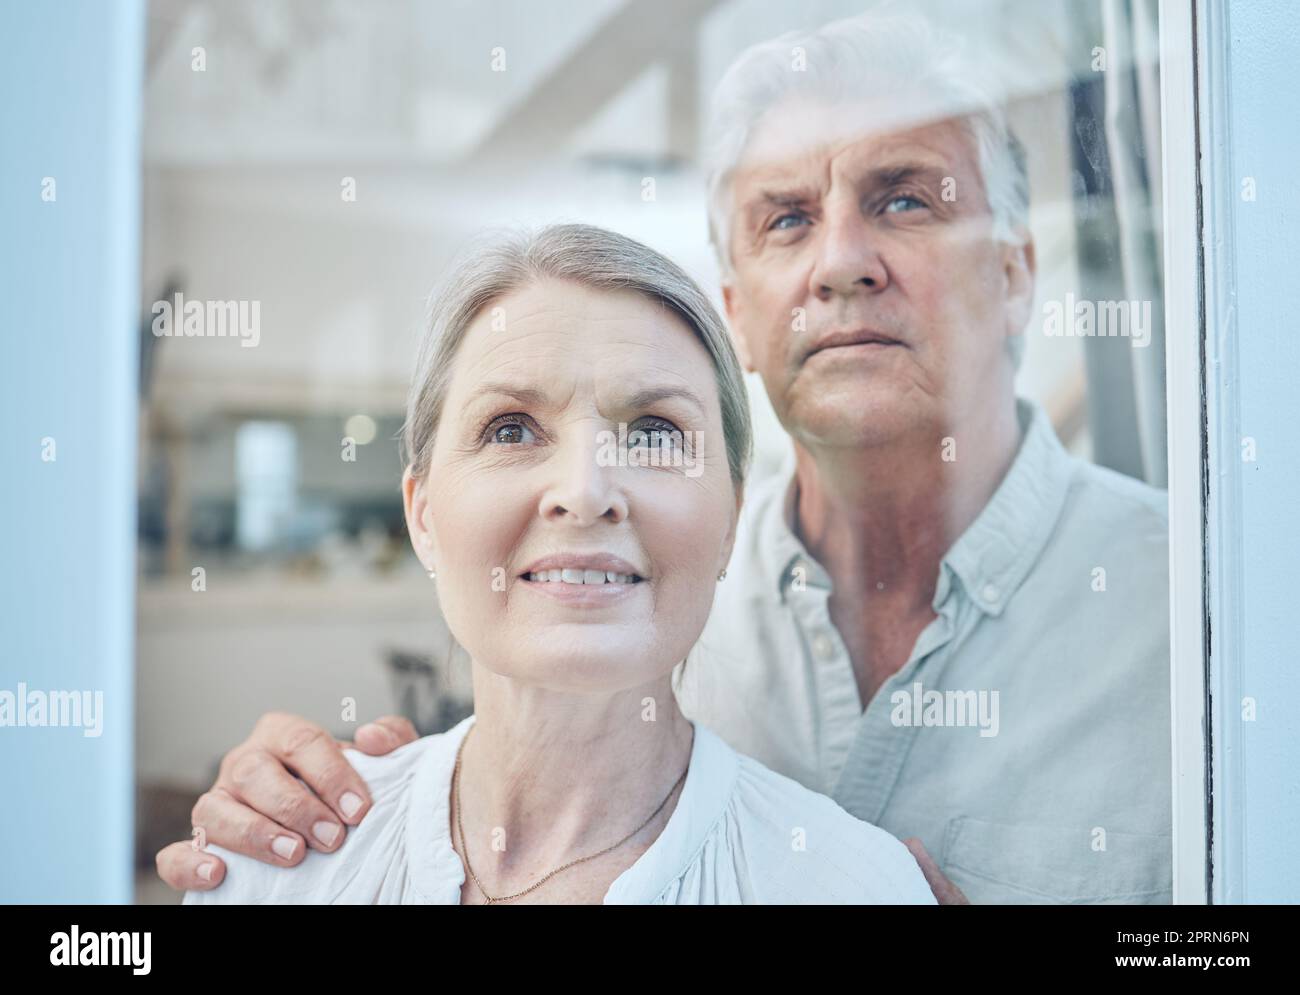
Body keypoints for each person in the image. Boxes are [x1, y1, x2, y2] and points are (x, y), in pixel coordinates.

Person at [161, 12, 1171, 905]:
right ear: (737, 313)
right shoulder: (634, 595)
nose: (838, 262)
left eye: (904, 198)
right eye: (785, 219)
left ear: (1012, 272)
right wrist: (315, 814)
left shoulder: (1195, 619)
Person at [181, 223, 936, 904]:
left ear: (731, 519)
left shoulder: (851, 885)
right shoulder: (274, 865)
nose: (584, 491)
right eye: (511, 429)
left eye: (654, 432)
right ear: (423, 515)